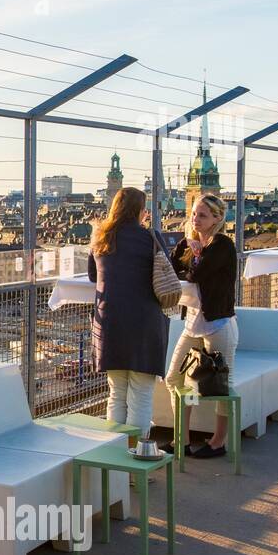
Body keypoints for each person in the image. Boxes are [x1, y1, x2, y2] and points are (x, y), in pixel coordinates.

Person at [88, 187, 169, 440]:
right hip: (144, 322)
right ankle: (135, 459)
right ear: (140, 212)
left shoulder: (101, 238)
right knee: (141, 394)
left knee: (116, 392)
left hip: (110, 321)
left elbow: (93, 275)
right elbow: (166, 271)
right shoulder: (151, 238)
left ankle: (115, 457)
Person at [164, 194, 239, 459]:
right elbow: (172, 269)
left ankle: (219, 441)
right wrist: (192, 256)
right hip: (194, 321)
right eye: (194, 213)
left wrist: (196, 258)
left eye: (203, 215)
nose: (195, 219)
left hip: (218, 323)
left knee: (220, 385)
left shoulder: (222, 245)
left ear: (218, 219)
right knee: (174, 378)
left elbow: (196, 274)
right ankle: (181, 439)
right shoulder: (188, 240)